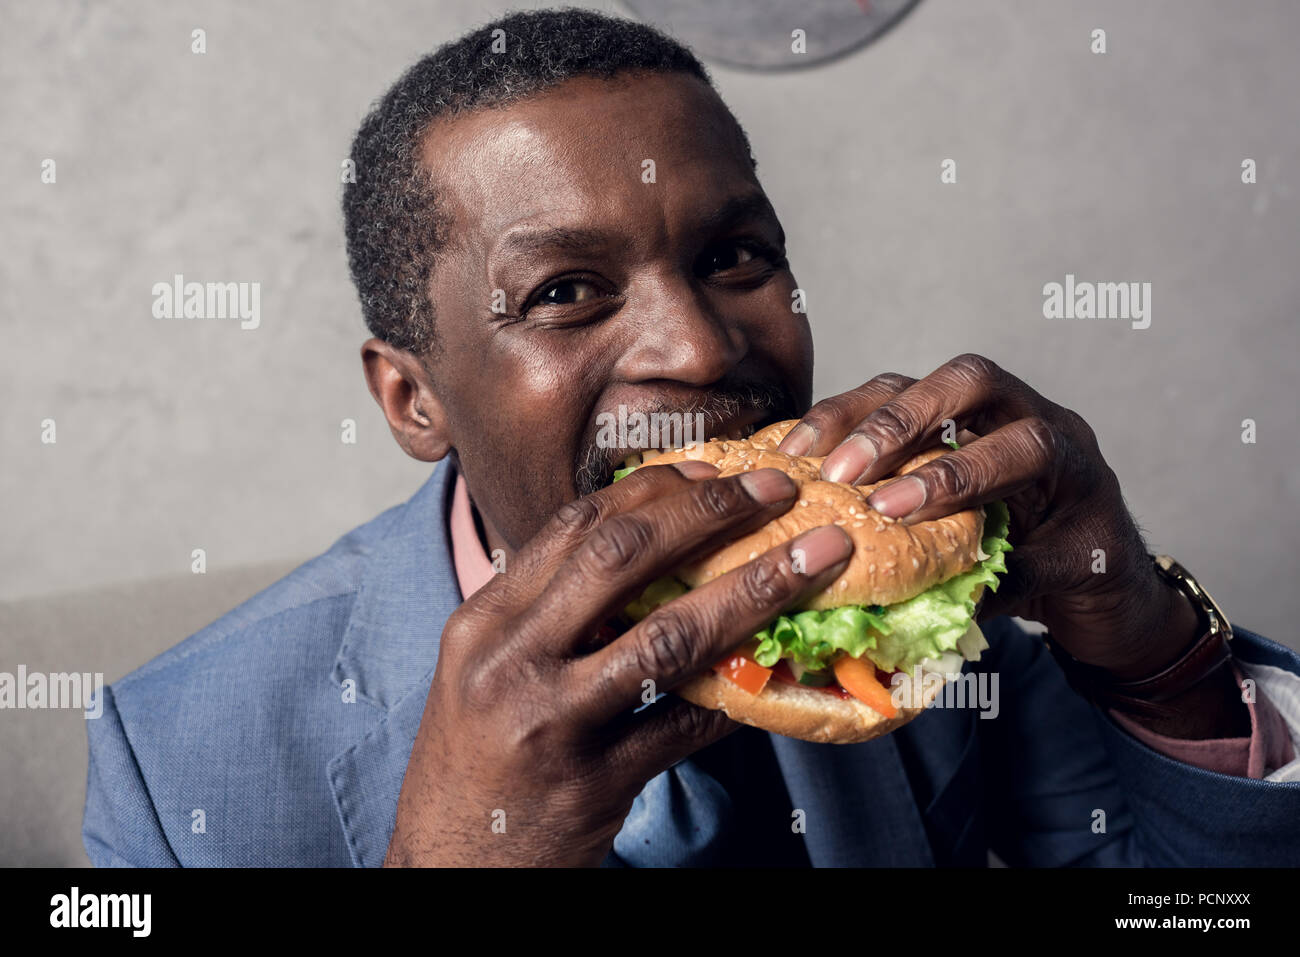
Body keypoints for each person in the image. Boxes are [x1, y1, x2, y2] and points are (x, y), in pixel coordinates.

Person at [84, 9, 1300, 868]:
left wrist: (1145, 641)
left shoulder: (923, 629)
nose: (705, 351)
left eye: (735, 258)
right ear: (415, 401)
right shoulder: (179, 756)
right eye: (565, 291)